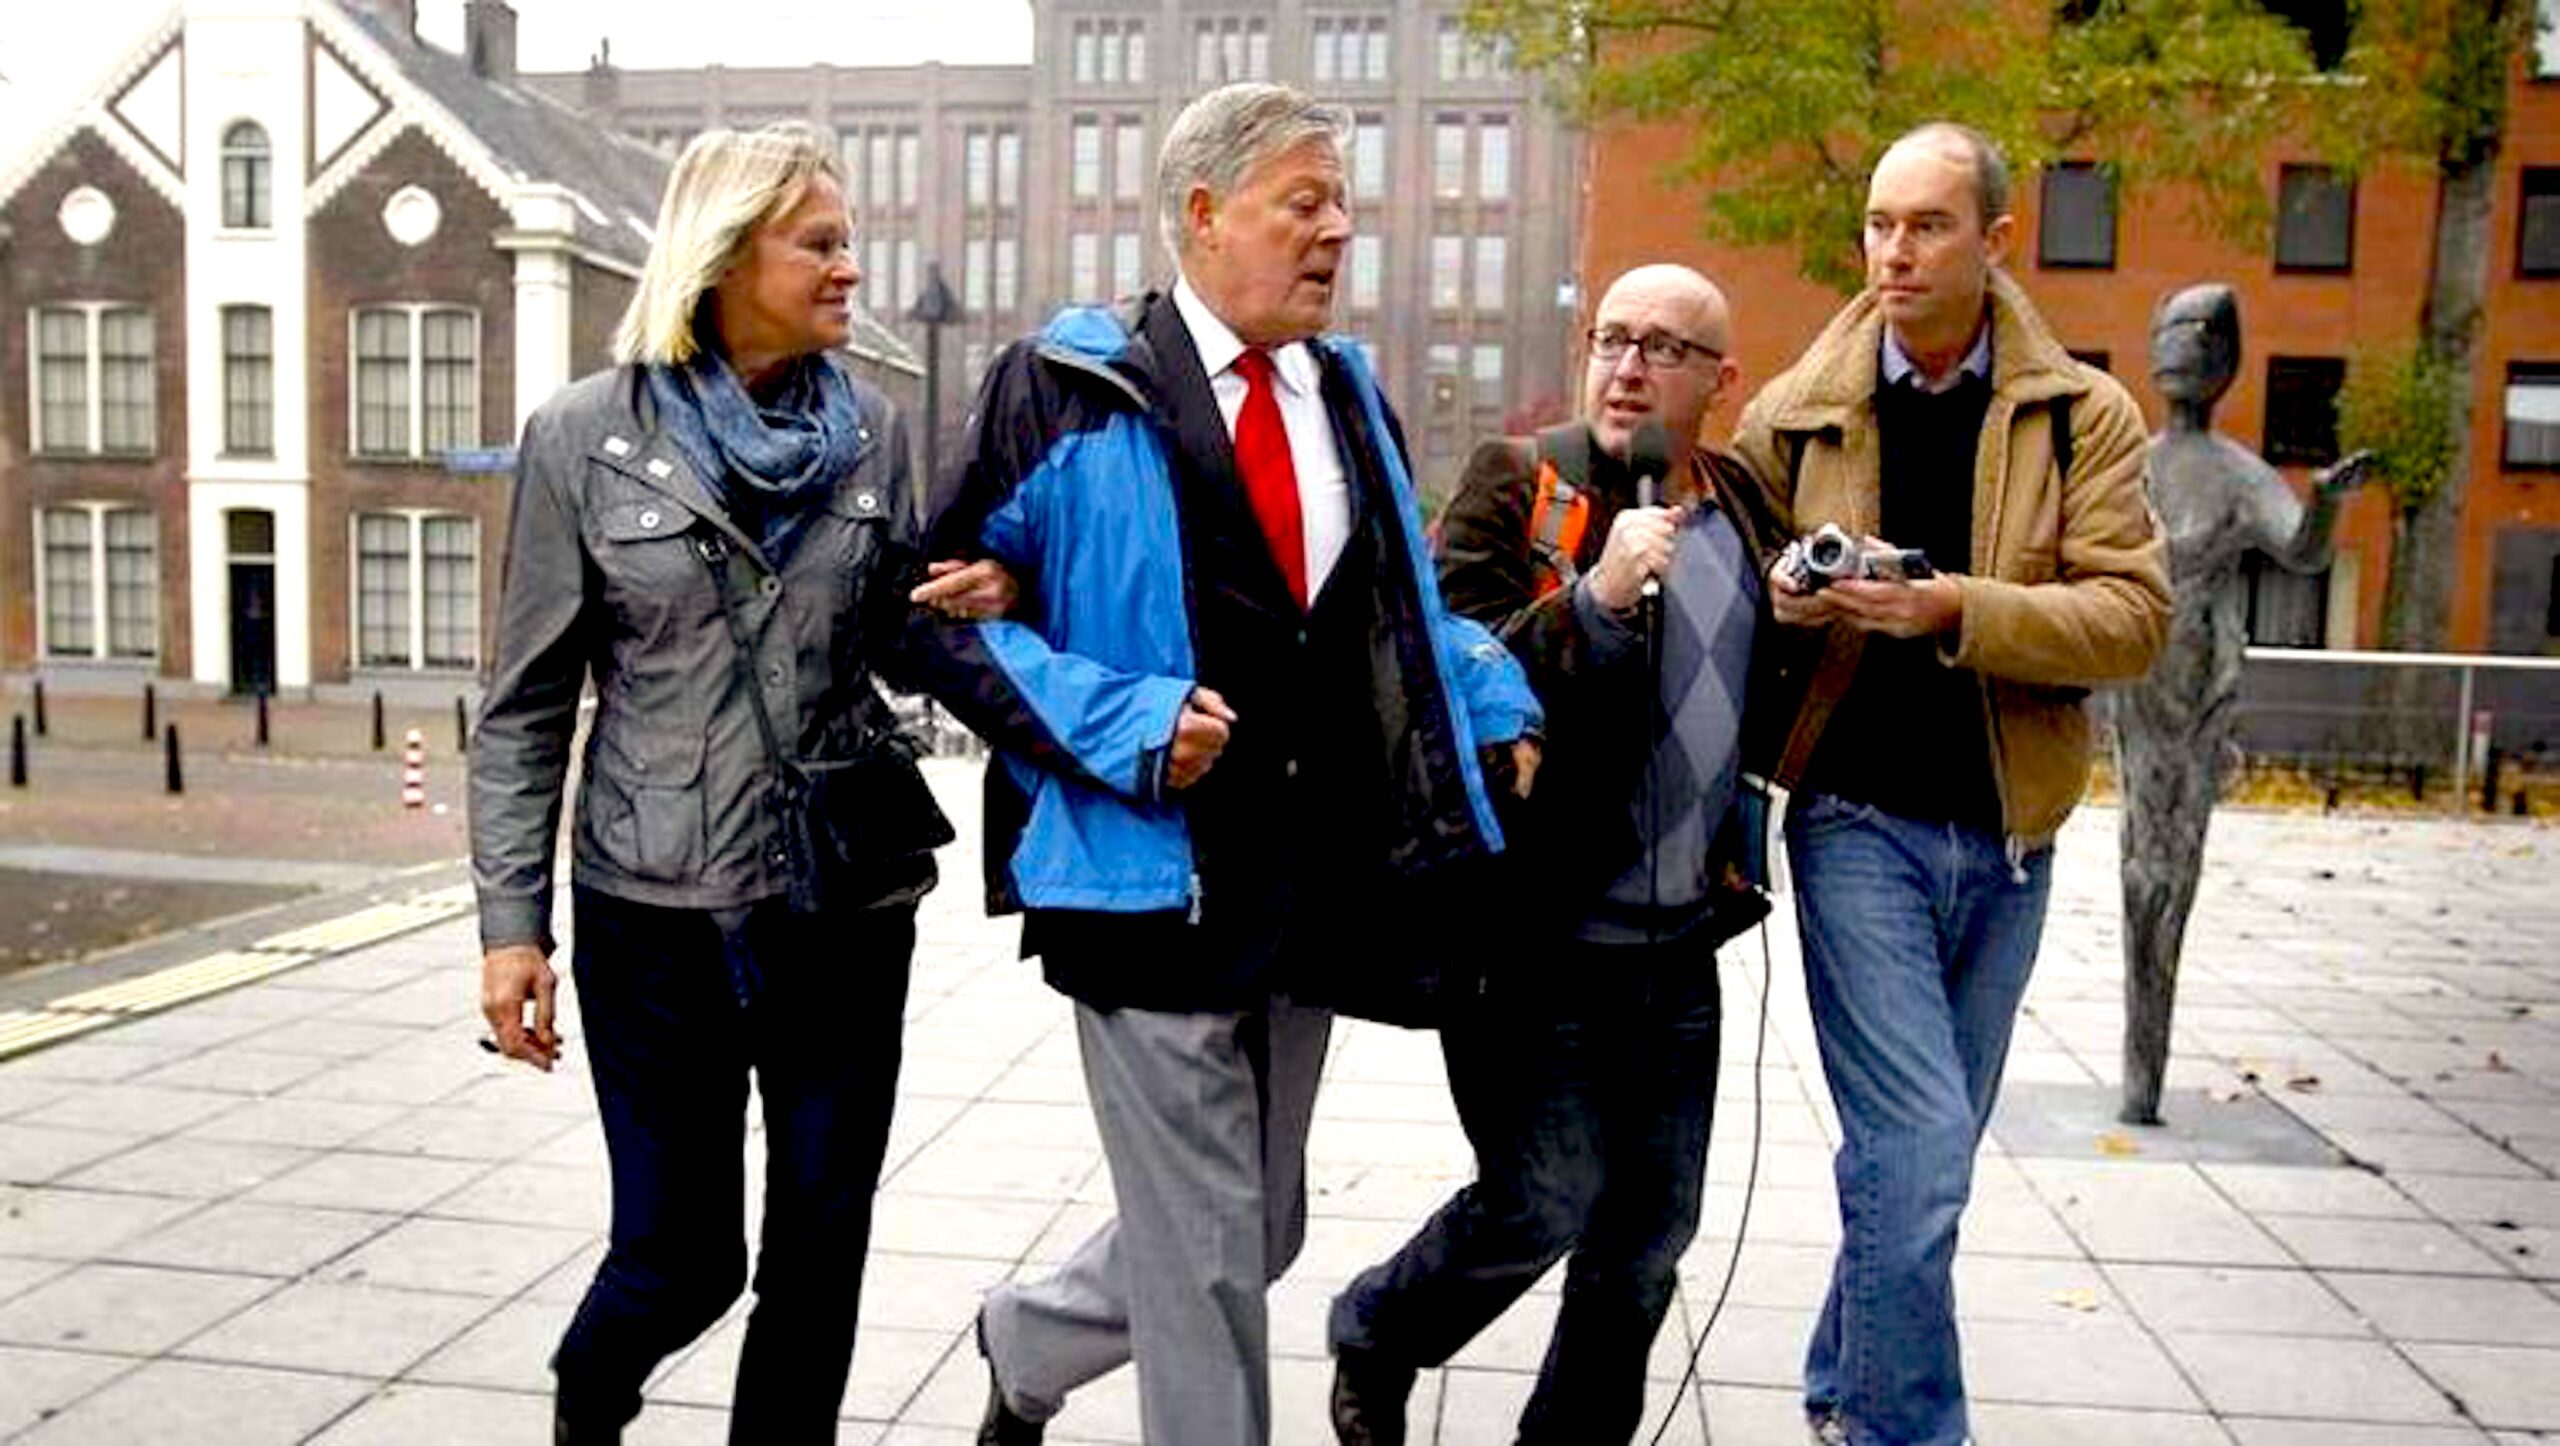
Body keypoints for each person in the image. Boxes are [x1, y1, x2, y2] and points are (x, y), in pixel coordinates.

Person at [904, 83, 1540, 1446]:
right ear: (1202, 213)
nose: (1335, 233)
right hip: (1141, 887)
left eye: (1343, 208)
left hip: (1300, 891)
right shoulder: (1062, 387)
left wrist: (1497, 703)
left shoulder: (1346, 390)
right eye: (1303, 202)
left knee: (1260, 1225)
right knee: (1204, 1259)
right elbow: (928, 618)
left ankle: (1028, 1338)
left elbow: (1399, 605)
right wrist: (1125, 720)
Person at [470, 122, 997, 1445]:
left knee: (821, 1252)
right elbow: (525, 702)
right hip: (650, 916)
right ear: (725, 254)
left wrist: (977, 596)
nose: (849, 270)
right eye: (820, 243)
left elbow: (892, 631)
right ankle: (588, 1402)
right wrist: (510, 929)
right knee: (682, 1254)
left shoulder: (873, 429)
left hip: (838, 904)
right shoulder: (584, 436)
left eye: (849, 243)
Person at [1728, 122, 2170, 1446]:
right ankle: (1901, 1429)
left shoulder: (2084, 417)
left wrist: (1946, 607)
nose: (1896, 251)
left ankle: (1834, 1377)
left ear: (1996, 238)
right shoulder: (1792, 415)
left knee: (1923, 1159)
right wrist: (1785, 598)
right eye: (1878, 224)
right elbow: (1724, 595)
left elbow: (2133, 620)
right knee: (1916, 1156)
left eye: (1927, 224)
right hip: (1855, 820)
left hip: (2010, 834)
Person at [1325, 264, 1788, 1445]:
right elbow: (1438, 669)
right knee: (1540, 1203)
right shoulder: (1518, 481)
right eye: (1612, 338)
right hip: (1539, 938)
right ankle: (1378, 1332)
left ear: (1720, 382)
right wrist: (1587, 603)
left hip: (1679, 943)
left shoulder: (1742, 509)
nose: (1628, 366)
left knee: (1645, 1243)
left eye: (1665, 349)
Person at [2113, 283, 2369, 1126]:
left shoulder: (2237, 472)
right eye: (2168, 328)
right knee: (2139, 871)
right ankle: (2137, 1063)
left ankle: (2144, 1070)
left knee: (2172, 869)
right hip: (2139, 685)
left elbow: (2300, 549)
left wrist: (2327, 498)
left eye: (2196, 333)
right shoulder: (2133, 464)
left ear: (2225, 359)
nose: (2179, 345)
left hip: (2200, 691)